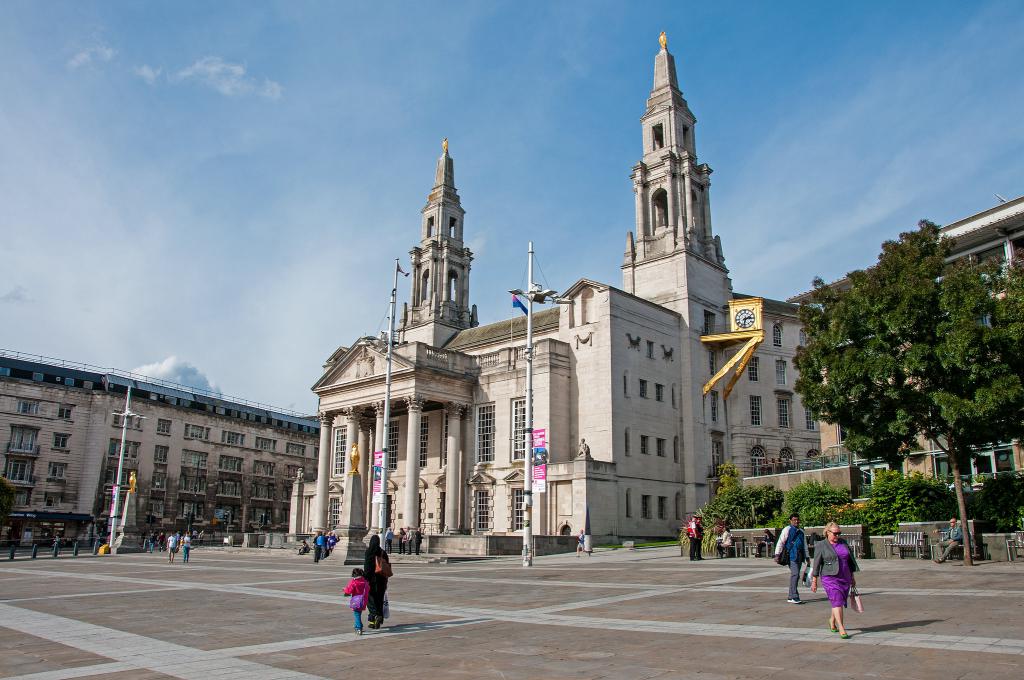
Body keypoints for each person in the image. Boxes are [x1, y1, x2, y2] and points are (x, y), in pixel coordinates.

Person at [811, 521, 859, 639]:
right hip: (829, 577)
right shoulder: (821, 545)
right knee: (837, 600)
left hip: (845, 576)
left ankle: (832, 620)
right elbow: (816, 564)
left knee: (839, 601)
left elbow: (850, 560)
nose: (837, 536)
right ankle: (841, 627)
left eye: (839, 533)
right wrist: (814, 580)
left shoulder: (843, 542)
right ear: (827, 532)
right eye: (835, 533)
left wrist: (852, 577)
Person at [774, 513, 811, 604]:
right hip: (791, 555)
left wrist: (807, 556)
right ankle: (794, 596)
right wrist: (777, 554)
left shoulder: (801, 532)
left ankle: (791, 596)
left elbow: (805, 545)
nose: (796, 521)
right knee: (795, 574)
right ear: (790, 521)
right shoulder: (787, 529)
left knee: (796, 575)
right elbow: (781, 542)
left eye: (797, 520)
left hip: (800, 556)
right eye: (794, 520)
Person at [363, 534, 391, 629]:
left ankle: (373, 617)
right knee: (379, 600)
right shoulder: (383, 552)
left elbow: (367, 567)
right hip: (381, 580)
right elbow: (387, 566)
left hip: (371, 580)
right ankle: (378, 619)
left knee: (370, 600)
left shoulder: (369, 552)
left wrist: (365, 578)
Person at [344, 567, 370, 635]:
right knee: (358, 613)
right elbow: (368, 590)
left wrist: (344, 590)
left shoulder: (354, 582)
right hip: (363, 600)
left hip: (356, 601)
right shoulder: (365, 581)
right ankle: (356, 626)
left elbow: (349, 590)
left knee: (356, 614)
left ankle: (359, 628)